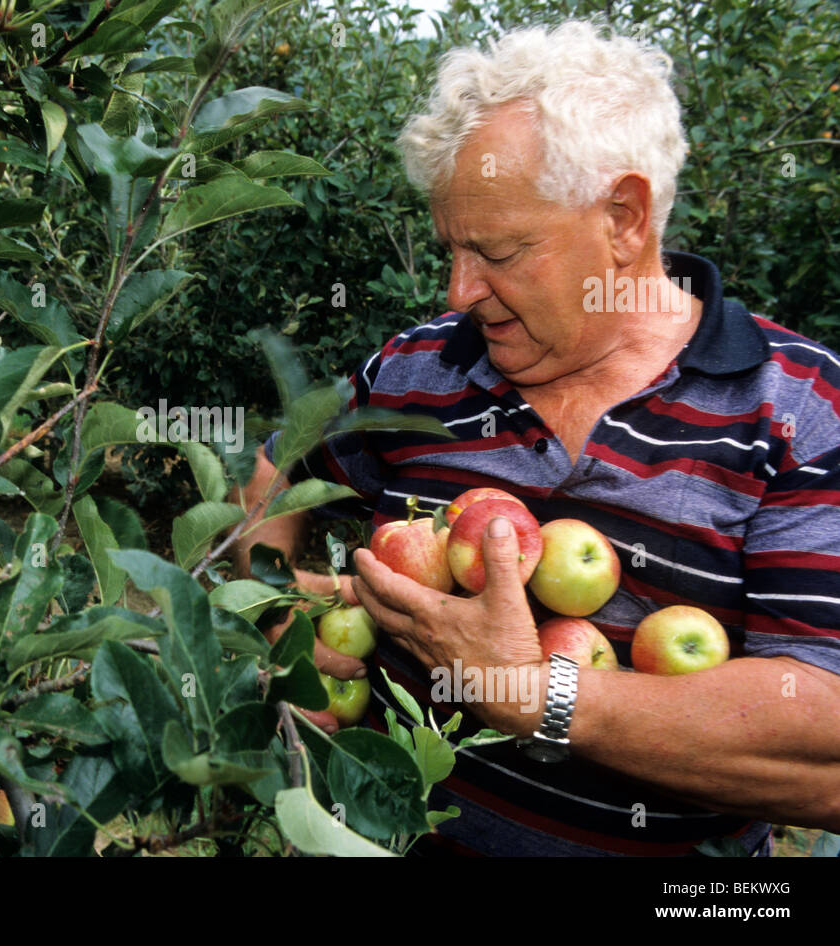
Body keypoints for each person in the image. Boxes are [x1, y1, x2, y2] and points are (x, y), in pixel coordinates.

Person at [232, 20, 840, 855]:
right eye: (451, 250)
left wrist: (532, 695)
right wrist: (277, 613)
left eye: (501, 251)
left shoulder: (803, 410)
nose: (459, 291)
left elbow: (823, 742)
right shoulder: (418, 370)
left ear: (625, 219)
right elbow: (273, 465)